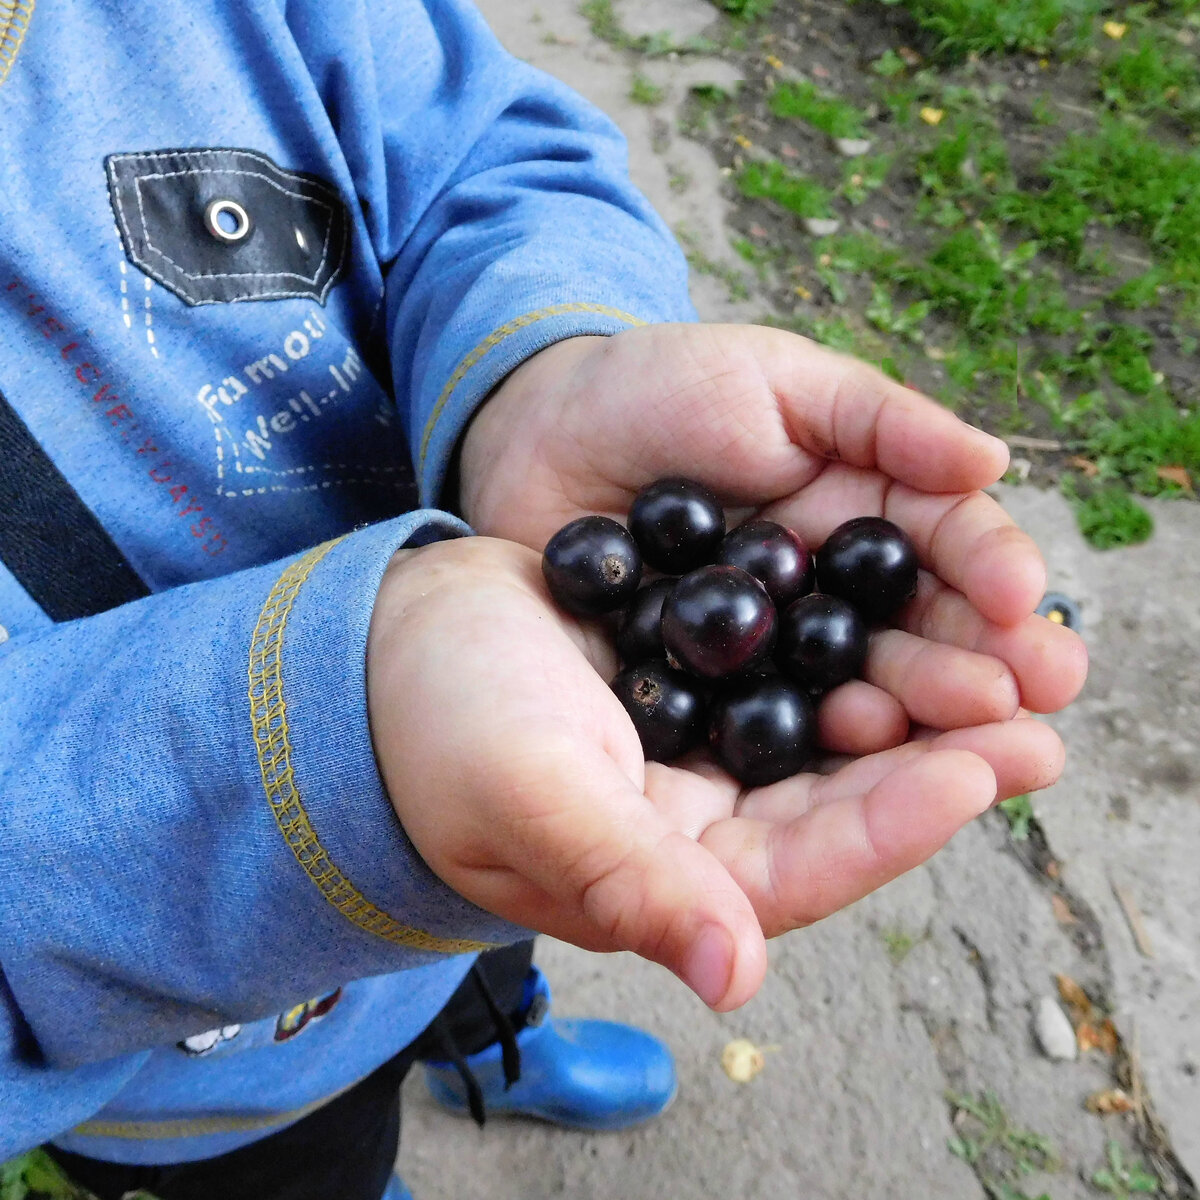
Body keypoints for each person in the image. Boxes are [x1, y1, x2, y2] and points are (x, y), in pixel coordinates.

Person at [0, 1, 1087, 1197]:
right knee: (319, 1168)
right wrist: (338, 751)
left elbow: (470, 148)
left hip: (527, 721)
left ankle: (494, 1043)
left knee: (530, 883)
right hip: (200, 1066)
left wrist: (541, 364)